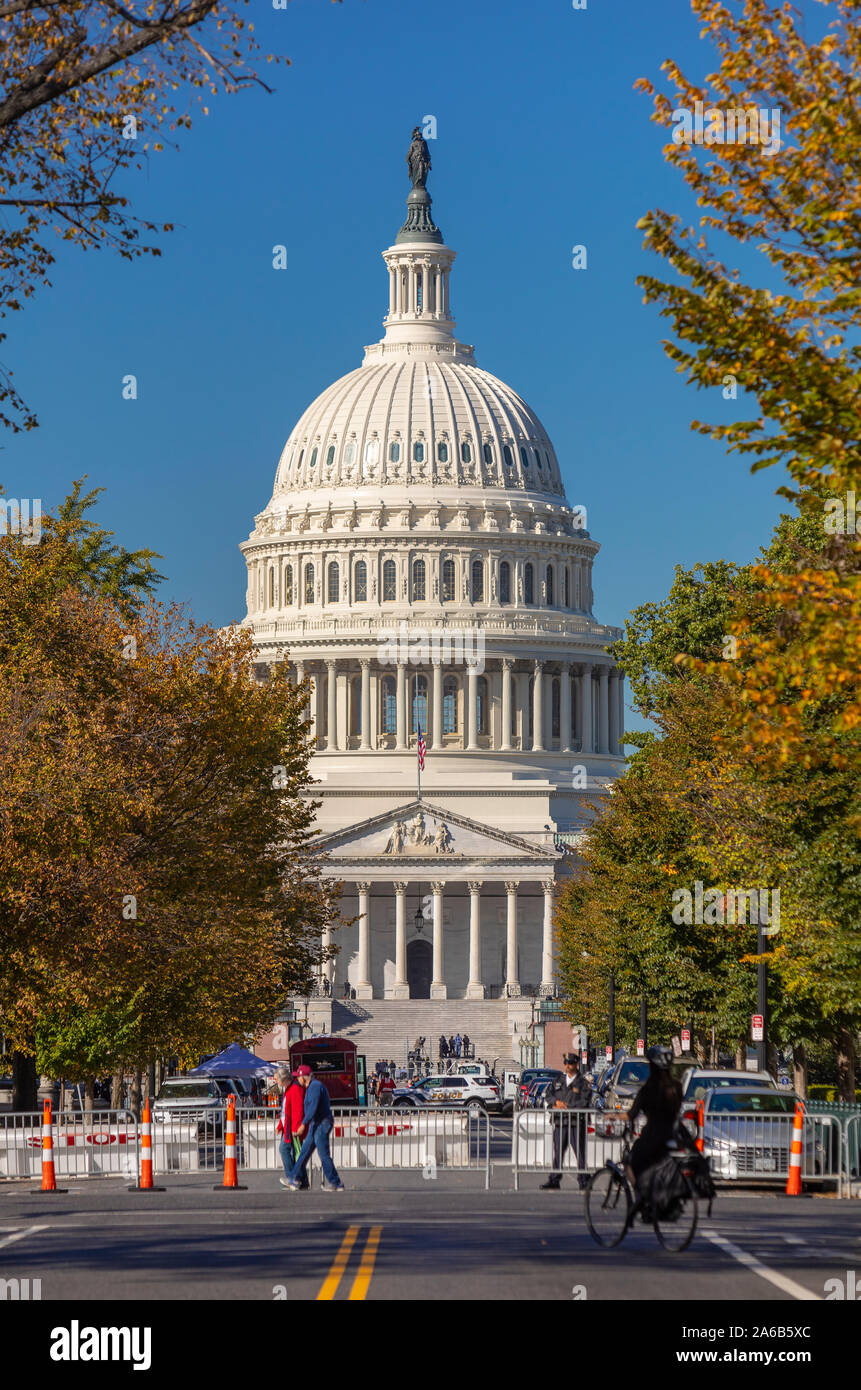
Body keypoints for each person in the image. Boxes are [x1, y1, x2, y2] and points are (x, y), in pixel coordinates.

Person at [626, 1044, 698, 1189]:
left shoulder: (648, 1088)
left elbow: (632, 1114)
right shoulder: (677, 1087)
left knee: (630, 1162)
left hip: (653, 1135)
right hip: (675, 1134)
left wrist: (611, 1116)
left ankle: (641, 1195)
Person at [284, 1065, 344, 1192]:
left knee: (323, 1154)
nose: (297, 1079)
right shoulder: (313, 1087)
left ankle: (336, 1183)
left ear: (303, 1077)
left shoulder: (315, 1087)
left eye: (298, 1077)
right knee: (304, 1151)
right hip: (317, 1123)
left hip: (321, 1123)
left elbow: (313, 1108)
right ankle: (294, 1178)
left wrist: (303, 1124)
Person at [541, 1053, 591, 1190]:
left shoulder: (583, 1083)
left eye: (570, 1063)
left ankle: (584, 1181)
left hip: (576, 1122)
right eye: (566, 1063)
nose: (567, 1066)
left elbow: (584, 1101)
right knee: (558, 1152)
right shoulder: (558, 1081)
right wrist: (555, 1102)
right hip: (560, 1122)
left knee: (580, 1152)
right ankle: (554, 1180)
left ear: (576, 1064)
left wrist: (567, 1107)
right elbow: (549, 1095)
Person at [275, 1067, 309, 1190]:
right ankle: (302, 1181)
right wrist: (280, 1126)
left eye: (276, 1079)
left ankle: (293, 1178)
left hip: (293, 1128)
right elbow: (286, 1111)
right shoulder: (290, 1088)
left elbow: (298, 1110)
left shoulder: (294, 1089)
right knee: (296, 1153)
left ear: (283, 1079)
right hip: (289, 1127)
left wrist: (297, 1127)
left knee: (285, 1150)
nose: (276, 1082)